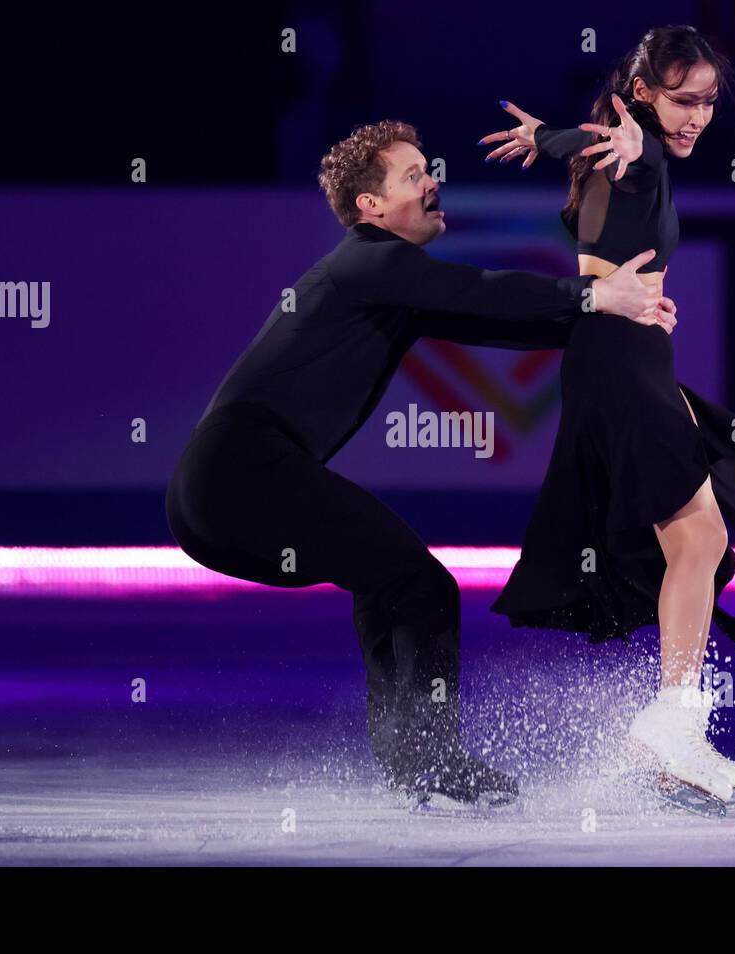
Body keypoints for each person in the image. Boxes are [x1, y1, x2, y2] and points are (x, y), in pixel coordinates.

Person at [165, 119, 670, 808]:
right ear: (370, 207)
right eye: (413, 176)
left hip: (218, 491)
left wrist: (613, 315)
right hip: (240, 474)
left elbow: (497, 321)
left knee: (392, 583)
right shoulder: (367, 261)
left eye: (428, 169)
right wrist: (592, 295)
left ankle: (410, 757)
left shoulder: (389, 283)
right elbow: (486, 291)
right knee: (422, 585)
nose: (433, 180)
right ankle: (429, 755)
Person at [479, 25, 735, 816]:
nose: (698, 119)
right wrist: (573, 136)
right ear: (641, 94)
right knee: (699, 537)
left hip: (631, 355)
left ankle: (673, 729)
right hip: (617, 359)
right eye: (682, 101)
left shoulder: (622, 162)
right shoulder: (633, 157)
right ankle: (673, 722)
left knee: (700, 536)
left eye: (710, 103)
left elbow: (607, 149)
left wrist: (548, 135)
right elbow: (630, 147)